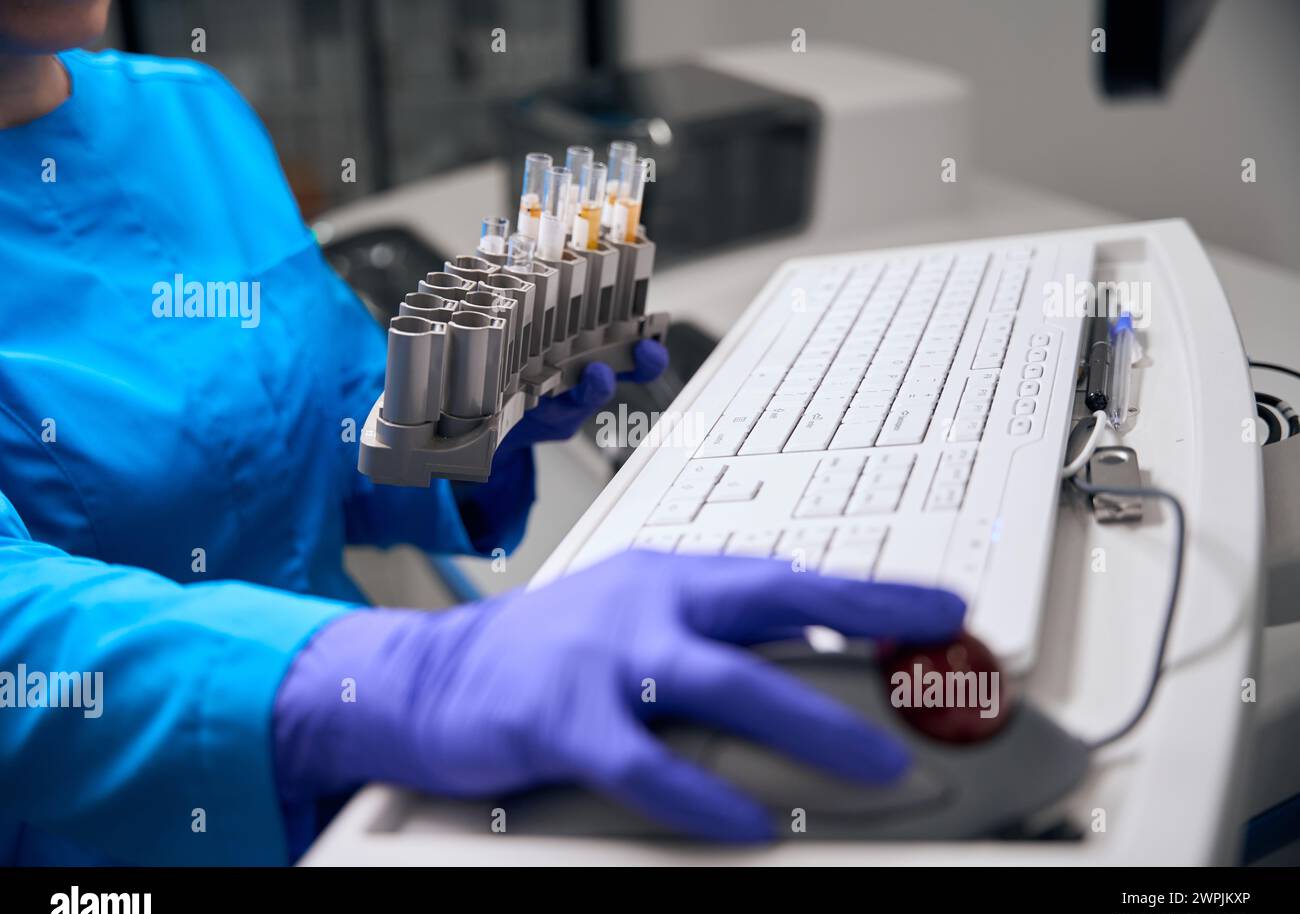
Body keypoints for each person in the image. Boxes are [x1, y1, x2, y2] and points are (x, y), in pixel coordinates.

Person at [0, 0, 966, 865]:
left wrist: (468, 418)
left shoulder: (188, 111)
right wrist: (419, 677)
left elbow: (319, 422)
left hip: (382, 756)